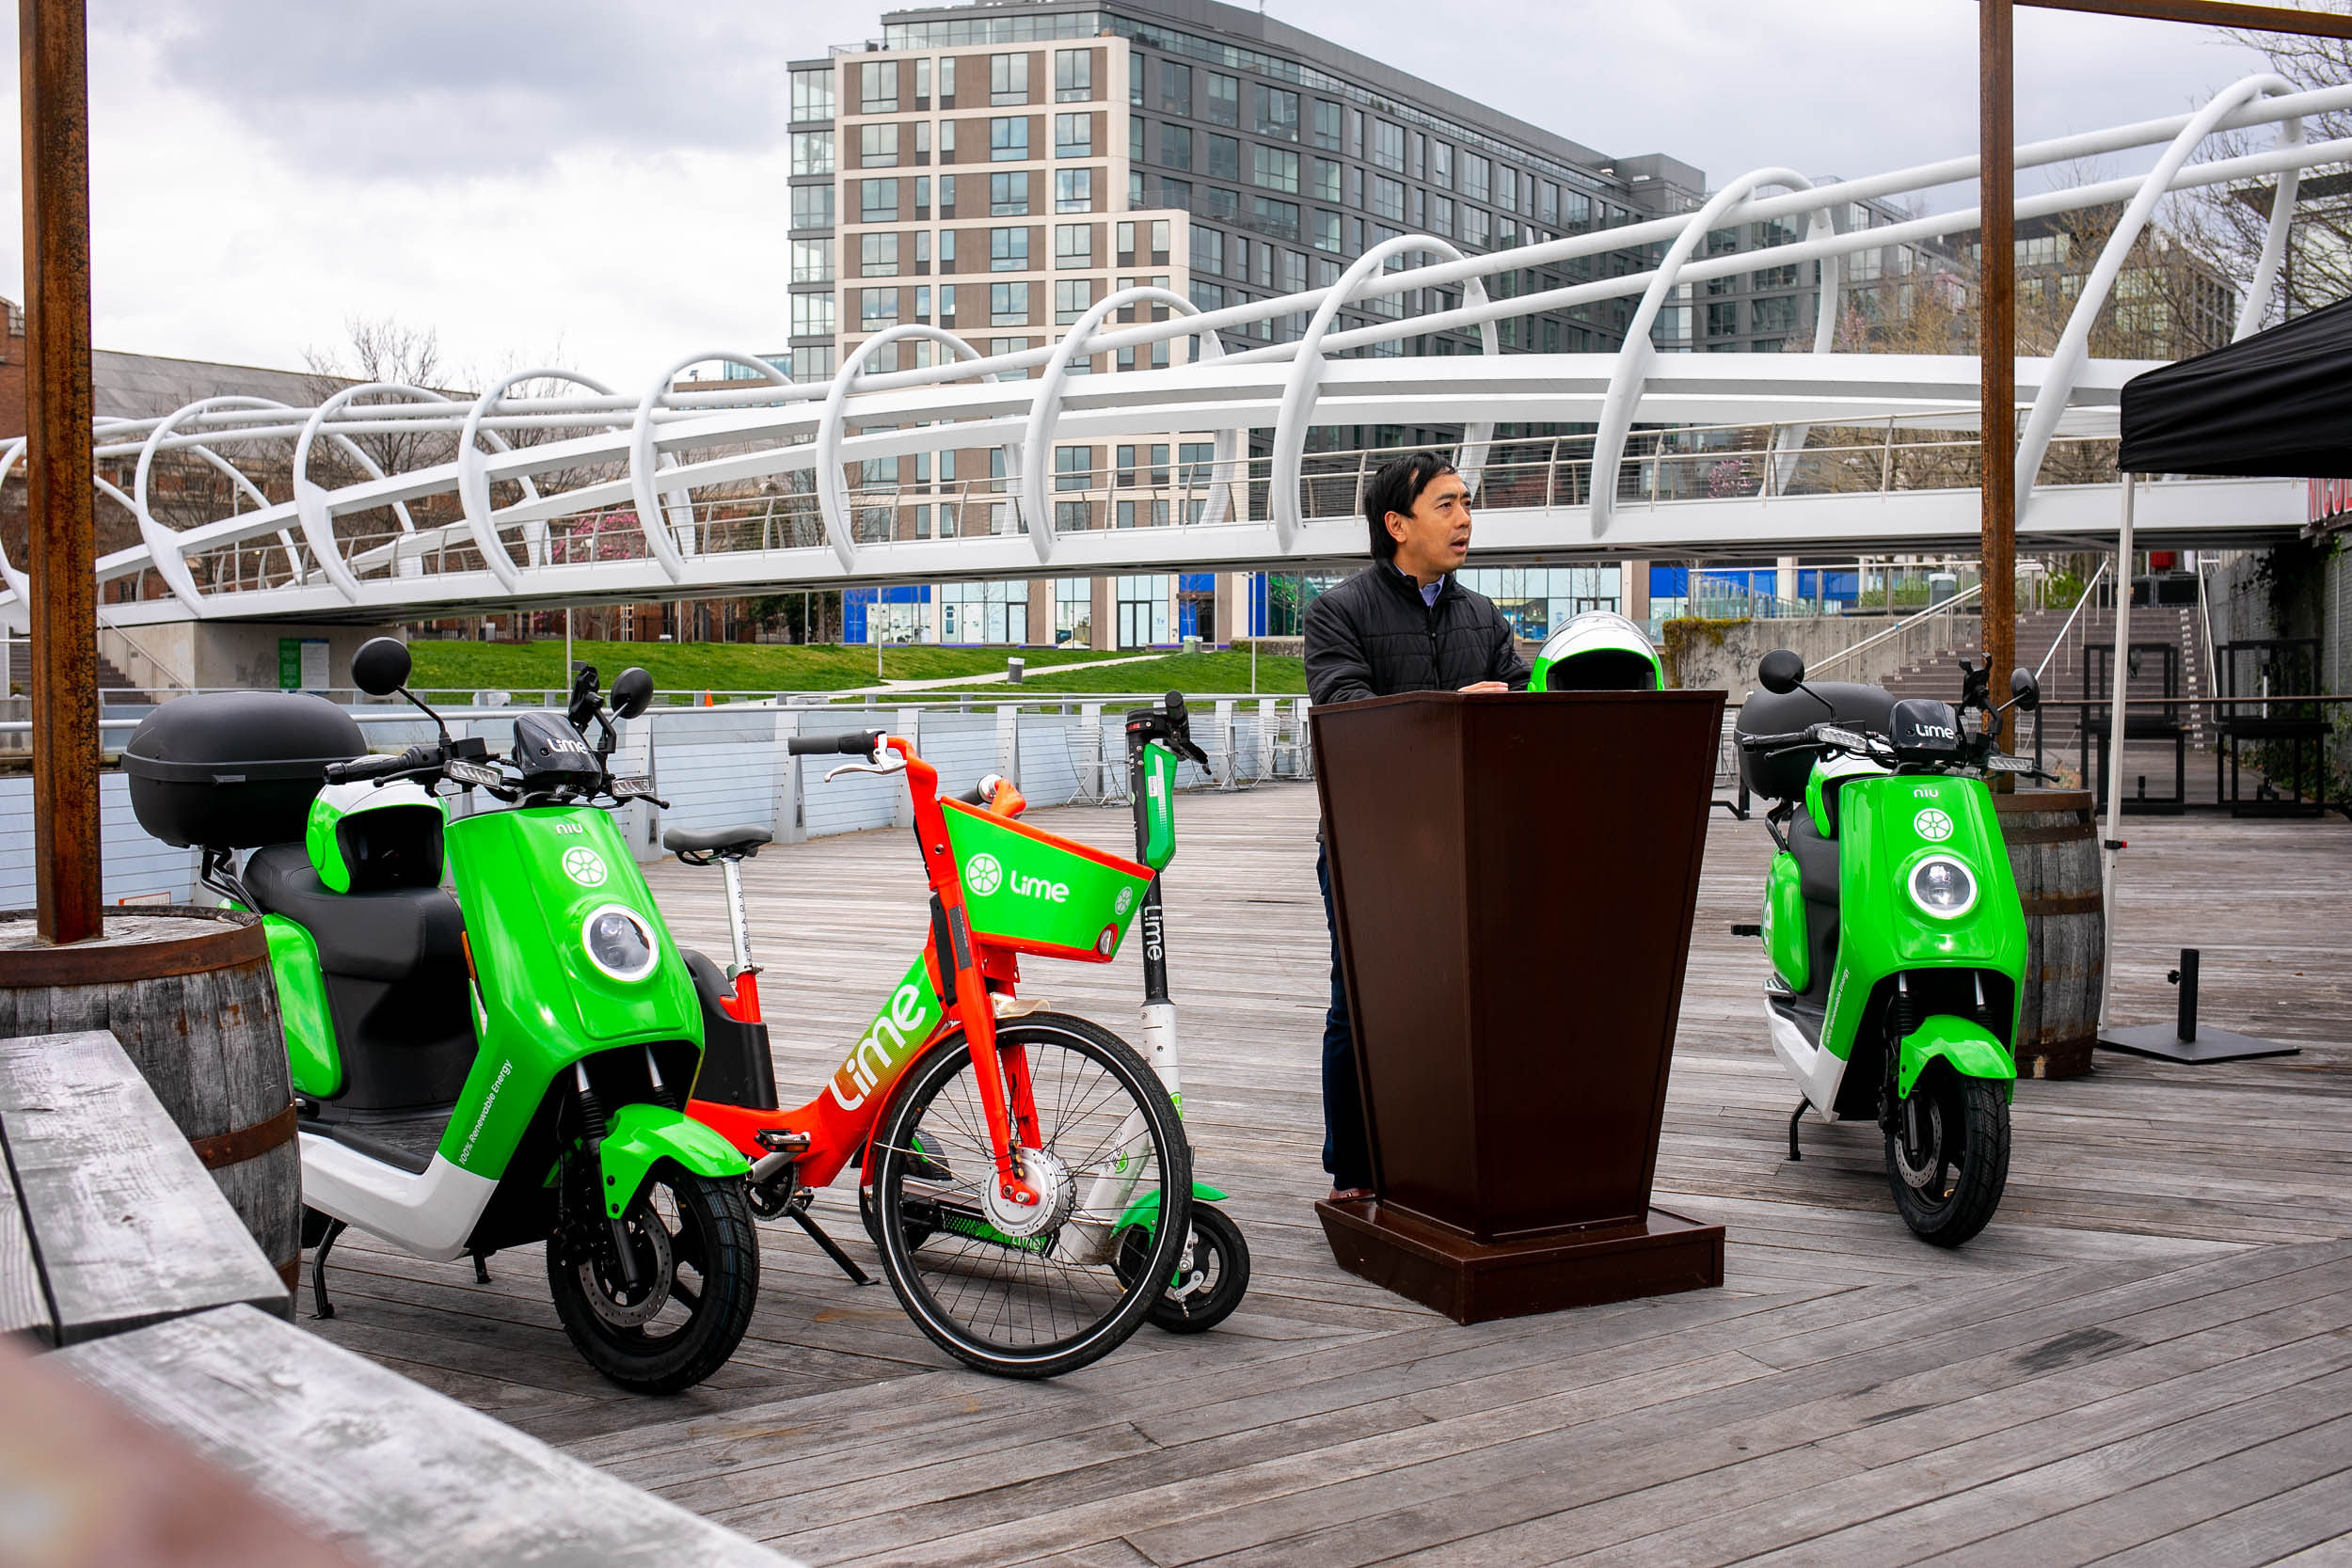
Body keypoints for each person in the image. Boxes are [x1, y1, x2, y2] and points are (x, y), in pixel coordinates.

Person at [1301, 451, 1529, 1201]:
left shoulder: (1485, 615)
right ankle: (1355, 1171)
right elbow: (1346, 719)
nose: (1464, 519)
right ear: (1397, 524)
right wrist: (1458, 707)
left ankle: (1445, 1159)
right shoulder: (1338, 612)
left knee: (1467, 1002)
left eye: (1467, 503)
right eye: (1446, 505)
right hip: (1372, 848)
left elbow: (1528, 709)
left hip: (1469, 844)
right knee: (1360, 1003)